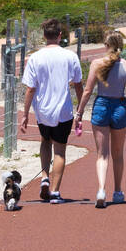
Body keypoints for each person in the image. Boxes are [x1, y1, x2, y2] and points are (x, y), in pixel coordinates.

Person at [20, 18, 84, 204]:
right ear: (60, 36)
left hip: (42, 111)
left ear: (44, 36)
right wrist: (80, 109)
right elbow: (79, 85)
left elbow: (30, 88)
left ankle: (45, 177)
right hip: (63, 111)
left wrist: (25, 114)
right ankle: (55, 192)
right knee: (60, 151)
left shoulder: (35, 58)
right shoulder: (70, 56)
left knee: (45, 141)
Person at [73, 30, 126, 208]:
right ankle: (117, 191)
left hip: (101, 106)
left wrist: (79, 114)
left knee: (102, 155)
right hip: (119, 107)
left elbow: (87, 91)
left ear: (106, 46)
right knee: (118, 155)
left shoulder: (96, 63)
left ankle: (101, 189)